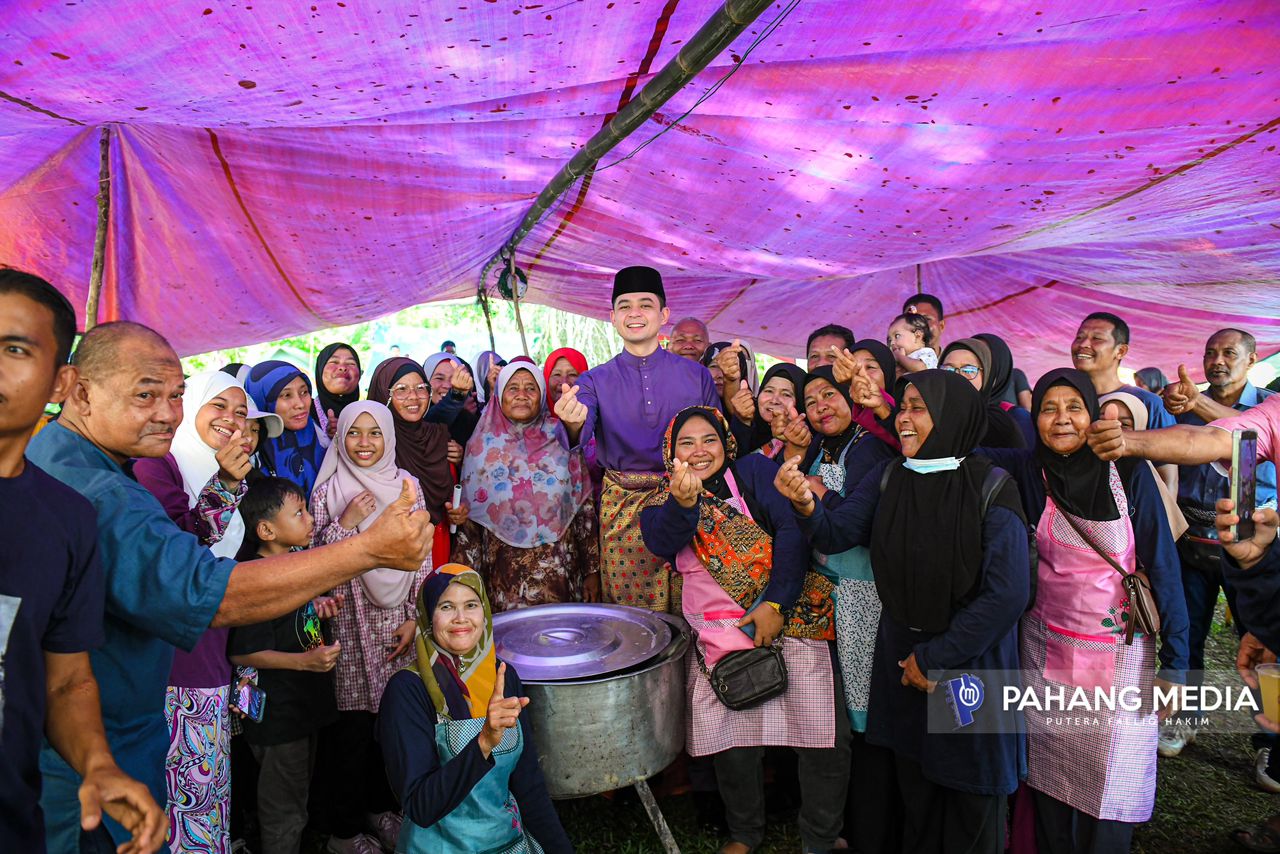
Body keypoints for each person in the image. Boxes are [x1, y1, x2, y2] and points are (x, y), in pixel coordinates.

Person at [26, 321, 433, 851]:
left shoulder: (78, 460)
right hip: (103, 742)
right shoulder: (105, 492)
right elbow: (204, 588)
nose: (169, 412)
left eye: (176, 396)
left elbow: (68, 664)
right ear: (78, 391)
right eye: (146, 394)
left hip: (95, 732)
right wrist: (367, 550)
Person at [777, 370, 1029, 854]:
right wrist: (807, 505)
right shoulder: (892, 475)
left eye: (918, 407)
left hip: (969, 662)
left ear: (951, 415)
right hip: (902, 659)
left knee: (971, 800)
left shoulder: (992, 488)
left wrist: (935, 658)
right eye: (904, 405)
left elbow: (1006, 595)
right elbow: (838, 533)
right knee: (917, 791)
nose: (904, 419)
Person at [981, 369, 1190, 853]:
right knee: (1052, 772)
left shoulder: (1130, 472)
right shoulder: (1029, 471)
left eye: (1074, 407)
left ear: (1093, 415)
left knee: (1111, 779)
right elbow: (952, 442)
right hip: (1045, 650)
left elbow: (1163, 566)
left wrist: (1177, 666)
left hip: (1120, 659)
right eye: (1049, 408)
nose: (1061, 419)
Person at [0, 271, 165, 854]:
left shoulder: (67, 517)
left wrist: (99, 763)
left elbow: (67, 679)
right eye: (148, 394)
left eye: (15, 349)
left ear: (61, 381)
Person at [639, 407, 846, 854]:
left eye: (709, 440)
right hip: (721, 638)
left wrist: (775, 603)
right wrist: (684, 503)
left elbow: (793, 531)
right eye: (686, 443)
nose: (699, 452)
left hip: (789, 619)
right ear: (671, 454)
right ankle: (745, 833)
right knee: (735, 739)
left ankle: (821, 837)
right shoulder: (661, 502)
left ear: (726, 444)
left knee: (823, 735)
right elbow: (662, 542)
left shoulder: (752, 472)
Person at [131, 370, 281, 853]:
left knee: (208, 777)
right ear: (190, 406)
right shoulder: (160, 466)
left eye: (242, 412)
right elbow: (179, 553)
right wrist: (226, 483)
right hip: (174, 655)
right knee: (185, 784)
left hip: (211, 647)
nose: (233, 419)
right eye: (219, 406)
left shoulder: (226, 475)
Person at [553, 265, 720, 612]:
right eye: (625, 306)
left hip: (687, 500)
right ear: (613, 318)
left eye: (645, 304)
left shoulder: (696, 375)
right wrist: (571, 422)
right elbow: (577, 433)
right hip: (623, 516)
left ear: (663, 315)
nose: (635, 313)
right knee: (633, 620)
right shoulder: (593, 380)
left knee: (694, 607)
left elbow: (718, 440)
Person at [309, 402, 436, 853]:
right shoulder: (327, 492)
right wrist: (346, 526)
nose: (365, 443)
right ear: (340, 437)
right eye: (355, 433)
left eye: (374, 433)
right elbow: (314, 562)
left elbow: (421, 553)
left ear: (389, 438)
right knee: (351, 732)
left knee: (391, 726)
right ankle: (342, 832)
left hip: (393, 623)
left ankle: (382, 809)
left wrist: (413, 619)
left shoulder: (407, 487)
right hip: (348, 621)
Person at [377, 564, 573, 853]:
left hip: (507, 842)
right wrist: (483, 742)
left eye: (471, 605)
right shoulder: (408, 690)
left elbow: (528, 783)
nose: (461, 618)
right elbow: (421, 806)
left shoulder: (504, 677)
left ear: (484, 614)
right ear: (429, 615)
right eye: (446, 607)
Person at [794, 355, 901, 854]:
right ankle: (834, 828)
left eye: (829, 396)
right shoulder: (817, 450)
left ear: (850, 401)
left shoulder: (870, 453)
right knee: (829, 716)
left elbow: (855, 526)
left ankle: (870, 829)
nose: (820, 407)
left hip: (864, 599)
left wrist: (817, 497)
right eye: (810, 401)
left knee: (866, 720)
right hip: (821, 599)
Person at [1160, 330, 1277, 762]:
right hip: (1192, 541)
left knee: (1263, 642)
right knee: (1187, 633)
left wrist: (1197, 404)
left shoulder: (1269, 408)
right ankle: (1184, 717)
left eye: (1230, 353)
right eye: (1210, 353)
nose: (1218, 361)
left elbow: (1237, 435)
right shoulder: (1182, 406)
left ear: (1252, 359)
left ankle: (1271, 745)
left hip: (1252, 547)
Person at [228, 478, 342, 854]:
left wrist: (320, 608)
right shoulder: (256, 577)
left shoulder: (296, 562)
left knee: (298, 800)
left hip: (304, 708)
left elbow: (295, 622)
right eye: (299, 513)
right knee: (283, 812)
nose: (310, 519)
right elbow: (242, 652)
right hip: (280, 717)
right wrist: (305, 662)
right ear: (266, 529)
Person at [455, 363, 600, 610]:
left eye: (530, 388)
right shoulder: (480, 447)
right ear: (499, 395)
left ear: (542, 395)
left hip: (561, 576)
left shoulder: (561, 438)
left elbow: (582, 511)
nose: (522, 394)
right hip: (503, 580)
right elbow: (470, 527)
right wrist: (466, 586)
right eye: (513, 388)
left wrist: (592, 572)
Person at [367, 358, 466, 572]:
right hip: (390, 554)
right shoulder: (371, 444)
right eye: (401, 389)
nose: (413, 396)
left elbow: (451, 498)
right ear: (384, 394)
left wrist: (457, 512)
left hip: (436, 545)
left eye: (420, 388)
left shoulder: (437, 437)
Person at [244, 360, 329, 495]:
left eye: (304, 392)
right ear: (262, 398)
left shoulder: (321, 436)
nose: (300, 404)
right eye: (286, 395)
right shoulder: (248, 451)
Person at [940, 337, 1026, 449]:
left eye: (968, 371)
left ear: (987, 377)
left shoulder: (997, 424)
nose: (957, 376)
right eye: (948, 369)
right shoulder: (931, 414)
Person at [974, 332, 1036, 441]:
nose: (978, 364)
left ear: (1001, 362)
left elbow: (1028, 406)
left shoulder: (1018, 418)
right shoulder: (955, 412)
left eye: (985, 357)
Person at [421, 352, 480, 444]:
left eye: (455, 379)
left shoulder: (469, 421)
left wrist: (462, 454)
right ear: (425, 381)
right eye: (439, 378)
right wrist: (457, 395)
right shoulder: (414, 415)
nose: (448, 385)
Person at [314, 342, 363, 439]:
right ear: (320, 369)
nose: (342, 368)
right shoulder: (302, 413)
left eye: (351, 363)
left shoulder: (369, 415)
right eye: (334, 362)